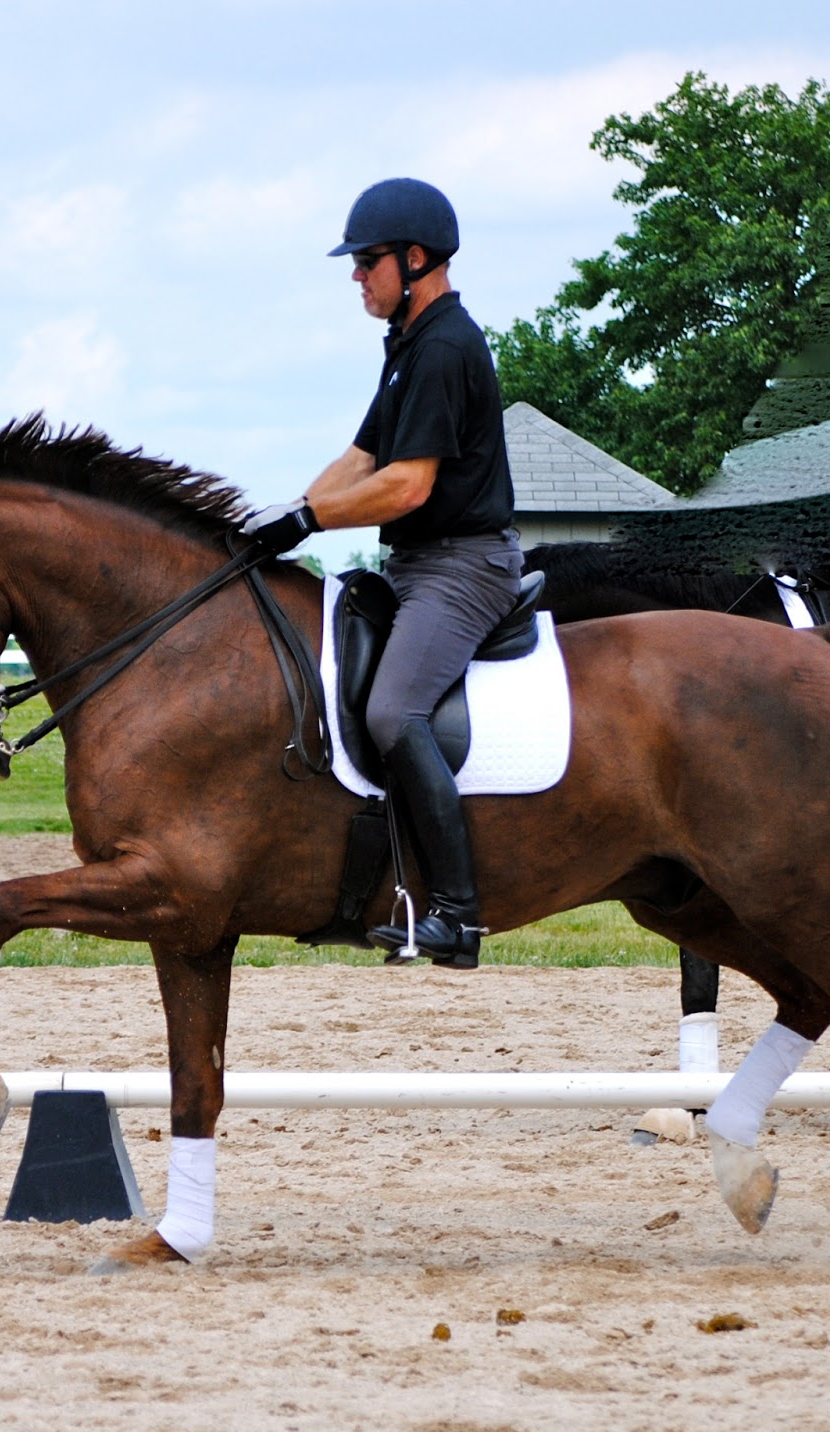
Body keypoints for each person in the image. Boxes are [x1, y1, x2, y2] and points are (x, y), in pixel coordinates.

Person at [240, 178, 521, 969]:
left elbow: (407, 486)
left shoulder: (446, 347)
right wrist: (280, 516)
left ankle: (457, 914)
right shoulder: (409, 346)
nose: (358, 277)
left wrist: (308, 521)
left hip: (463, 566)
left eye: (368, 262)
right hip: (415, 564)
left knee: (394, 711)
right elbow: (362, 459)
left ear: (415, 258)